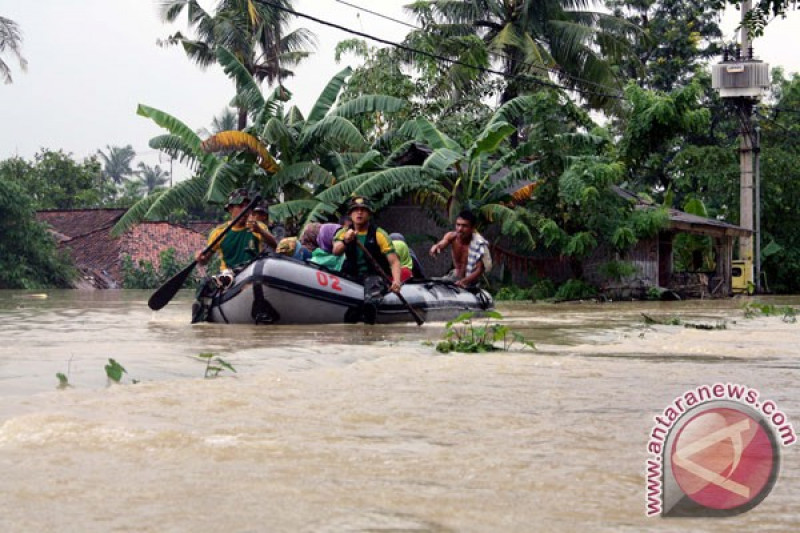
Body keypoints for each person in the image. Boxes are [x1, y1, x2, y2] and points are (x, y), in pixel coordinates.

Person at [332, 196, 403, 293]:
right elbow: (336, 251)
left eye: (363, 210)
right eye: (356, 210)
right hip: (351, 275)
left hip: (374, 277)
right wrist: (346, 241)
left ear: (369, 214)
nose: (359, 212)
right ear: (350, 214)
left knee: (371, 300)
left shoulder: (379, 234)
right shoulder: (343, 233)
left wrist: (396, 281)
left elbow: (394, 261)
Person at [196, 188, 274, 273]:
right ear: (230, 209)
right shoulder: (218, 232)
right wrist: (201, 258)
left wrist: (260, 231)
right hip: (229, 277)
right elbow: (205, 260)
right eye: (240, 206)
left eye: (247, 206)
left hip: (252, 274)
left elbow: (275, 245)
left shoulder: (258, 226)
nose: (245, 210)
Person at [429, 210, 492, 288]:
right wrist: (436, 246)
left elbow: (479, 270)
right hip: (455, 276)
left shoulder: (479, 244)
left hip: (471, 280)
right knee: (432, 285)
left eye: (464, 226)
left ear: (472, 228)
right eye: (458, 225)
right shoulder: (451, 236)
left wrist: (464, 282)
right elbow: (442, 243)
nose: (460, 229)